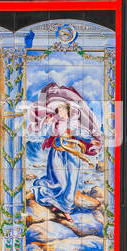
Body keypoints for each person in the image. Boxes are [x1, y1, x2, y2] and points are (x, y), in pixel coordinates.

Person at [29, 83, 102, 222]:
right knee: (59, 181)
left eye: (62, 110)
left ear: (67, 111)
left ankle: (66, 209)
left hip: (72, 154)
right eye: (58, 110)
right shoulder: (54, 122)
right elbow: (45, 135)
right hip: (57, 153)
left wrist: (91, 142)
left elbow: (81, 136)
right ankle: (56, 202)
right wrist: (46, 123)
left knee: (71, 183)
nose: (60, 113)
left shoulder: (74, 123)